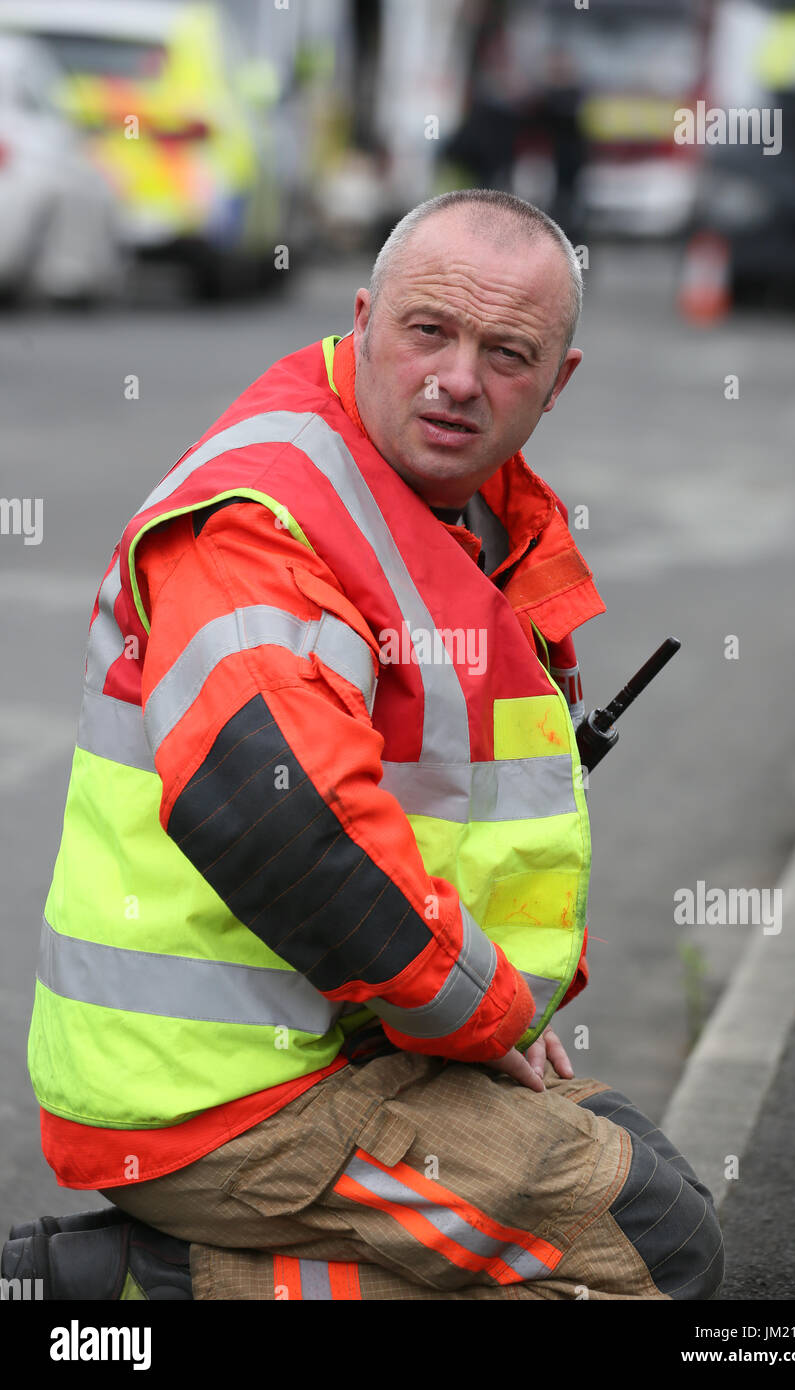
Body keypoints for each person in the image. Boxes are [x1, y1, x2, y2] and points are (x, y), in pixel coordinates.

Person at [12, 189, 723, 1301]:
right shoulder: (266, 516)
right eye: (426, 331)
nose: (455, 378)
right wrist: (483, 1018)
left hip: (348, 1044)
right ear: (362, 317)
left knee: (654, 1175)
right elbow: (283, 818)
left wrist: (474, 1024)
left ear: (557, 382)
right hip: (218, 1098)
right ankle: (134, 1286)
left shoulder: (465, 508)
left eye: (505, 352)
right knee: (648, 1248)